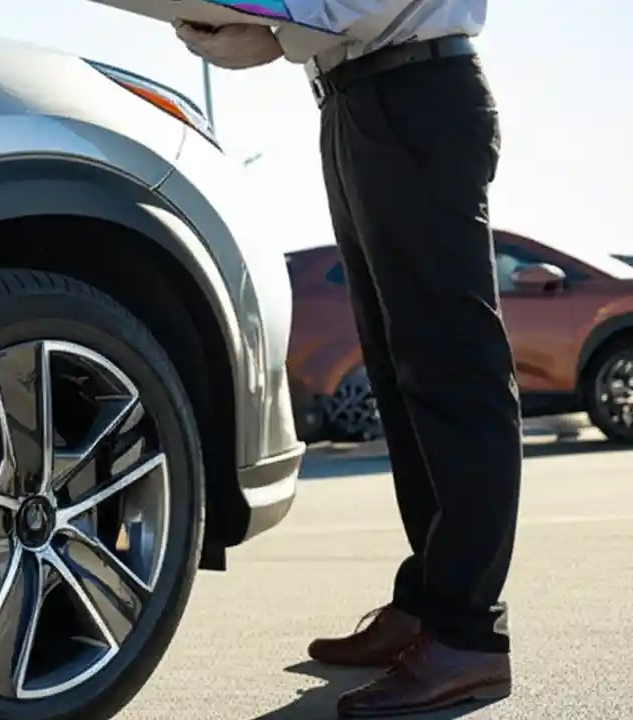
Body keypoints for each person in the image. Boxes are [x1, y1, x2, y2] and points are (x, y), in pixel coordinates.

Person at [174, 3, 521, 717]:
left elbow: (353, 8)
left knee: (453, 369)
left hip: (415, 95)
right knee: (401, 376)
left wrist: (273, 35)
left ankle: (467, 636)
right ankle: (430, 602)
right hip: (356, 102)